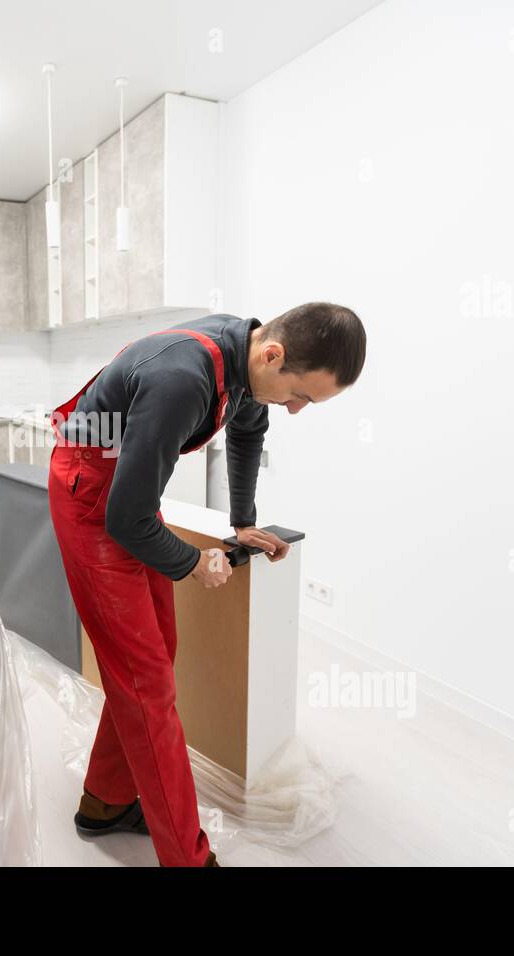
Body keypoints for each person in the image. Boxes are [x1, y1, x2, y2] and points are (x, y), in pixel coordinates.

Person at [47, 302, 367, 867]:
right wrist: (193, 563)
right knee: (147, 684)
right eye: (303, 396)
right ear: (274, 354)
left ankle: (105, 802)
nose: (296, 410)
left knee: (156, 657)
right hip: (92, 496)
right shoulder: (182, 379)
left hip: (126, 494)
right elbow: (125, 519)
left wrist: (242, 521)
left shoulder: (245, 361)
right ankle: (188, 859)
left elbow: (248, 430)